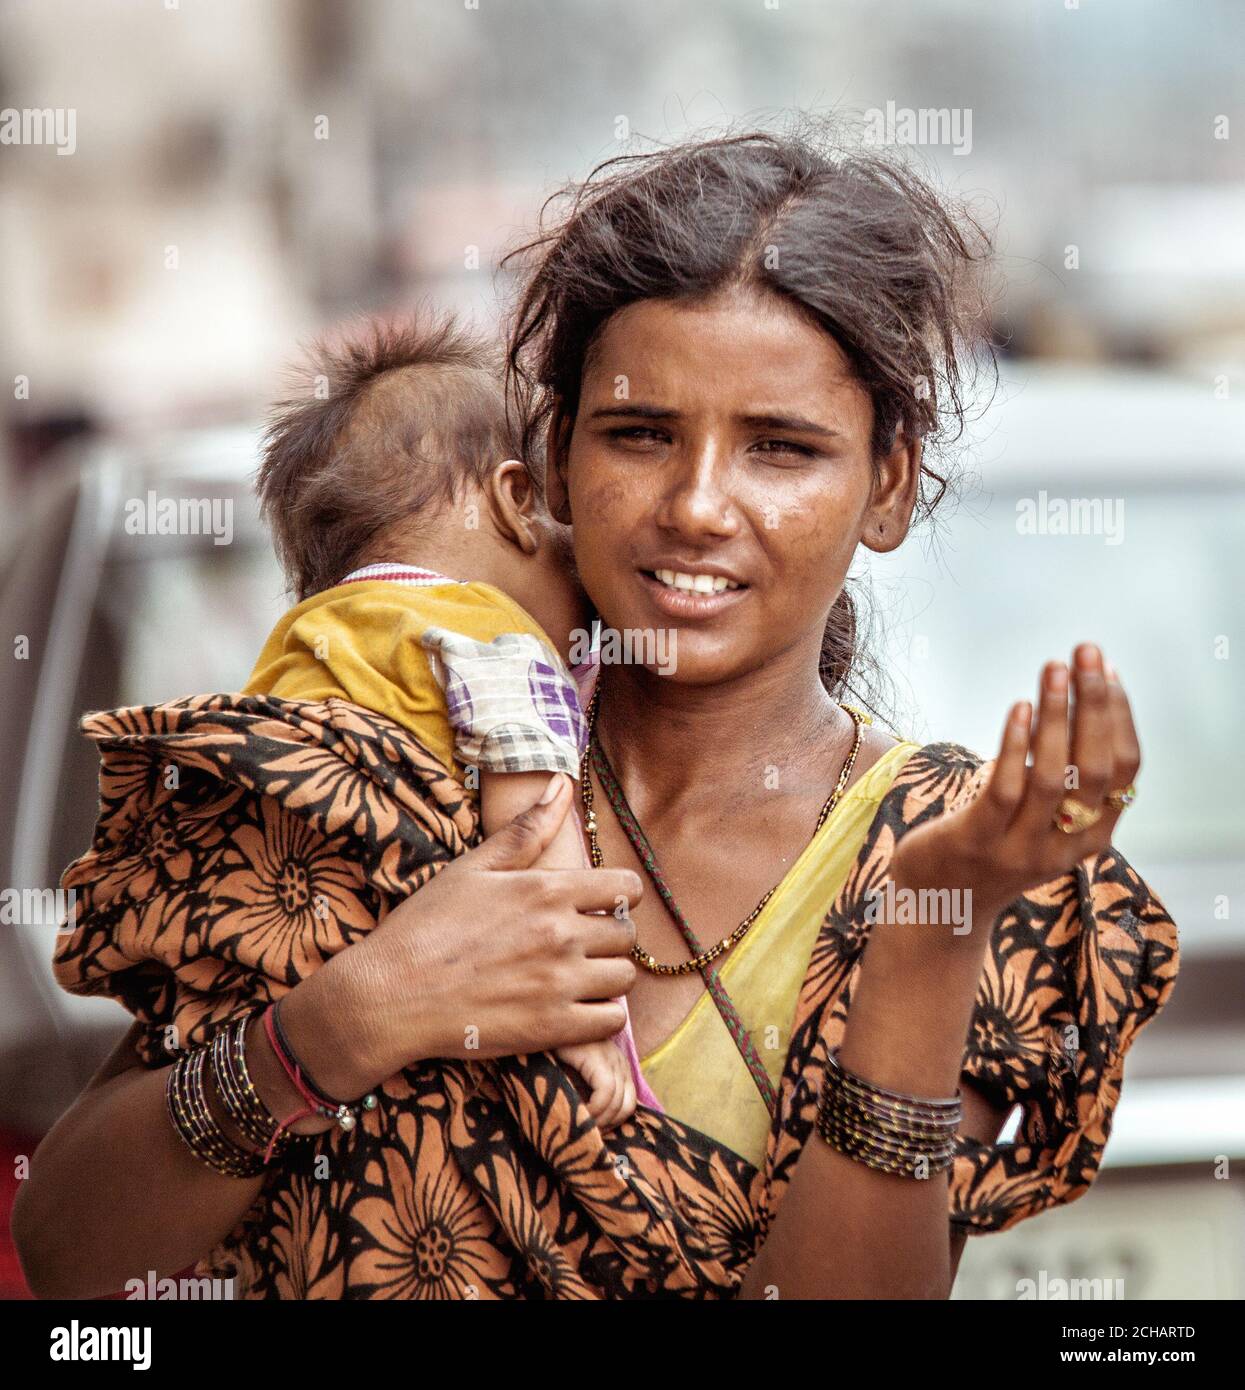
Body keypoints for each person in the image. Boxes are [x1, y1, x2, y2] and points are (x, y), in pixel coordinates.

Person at [15, 128, 1178, 1300]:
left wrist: (936, 932)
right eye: (640, 434)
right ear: (554, 461)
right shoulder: (391, 762)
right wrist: (352, 1014)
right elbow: (72, 1255)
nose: (698, 505)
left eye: (781, 448)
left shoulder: (950, 855)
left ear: (885, 486)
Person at [241, 312, 656, 1127]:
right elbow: (534, 832)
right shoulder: (492, 637)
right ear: (515, 502)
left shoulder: (303, 642)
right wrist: (585, 1022)